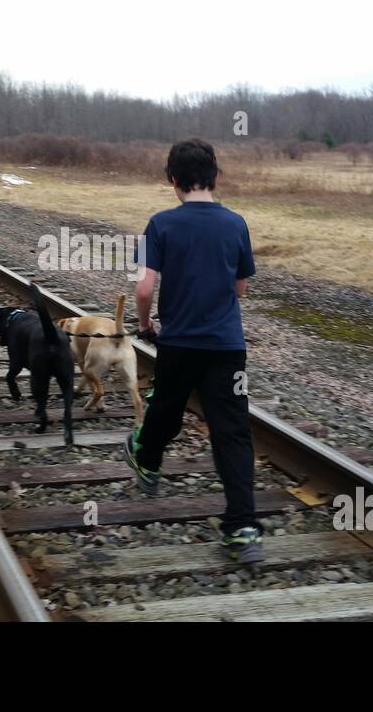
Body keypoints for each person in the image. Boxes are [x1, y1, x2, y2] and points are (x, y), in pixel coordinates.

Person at [124, 138, 263, 563]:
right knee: (232, 431)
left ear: (172, 181)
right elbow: (240, 288)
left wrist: (146, 325)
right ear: (215, 177)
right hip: (226, 347)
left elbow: (145, 287)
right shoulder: (236, 223)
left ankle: (146, 459)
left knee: (165, 409)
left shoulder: (161, 224)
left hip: (178, 344)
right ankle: (242, 528)